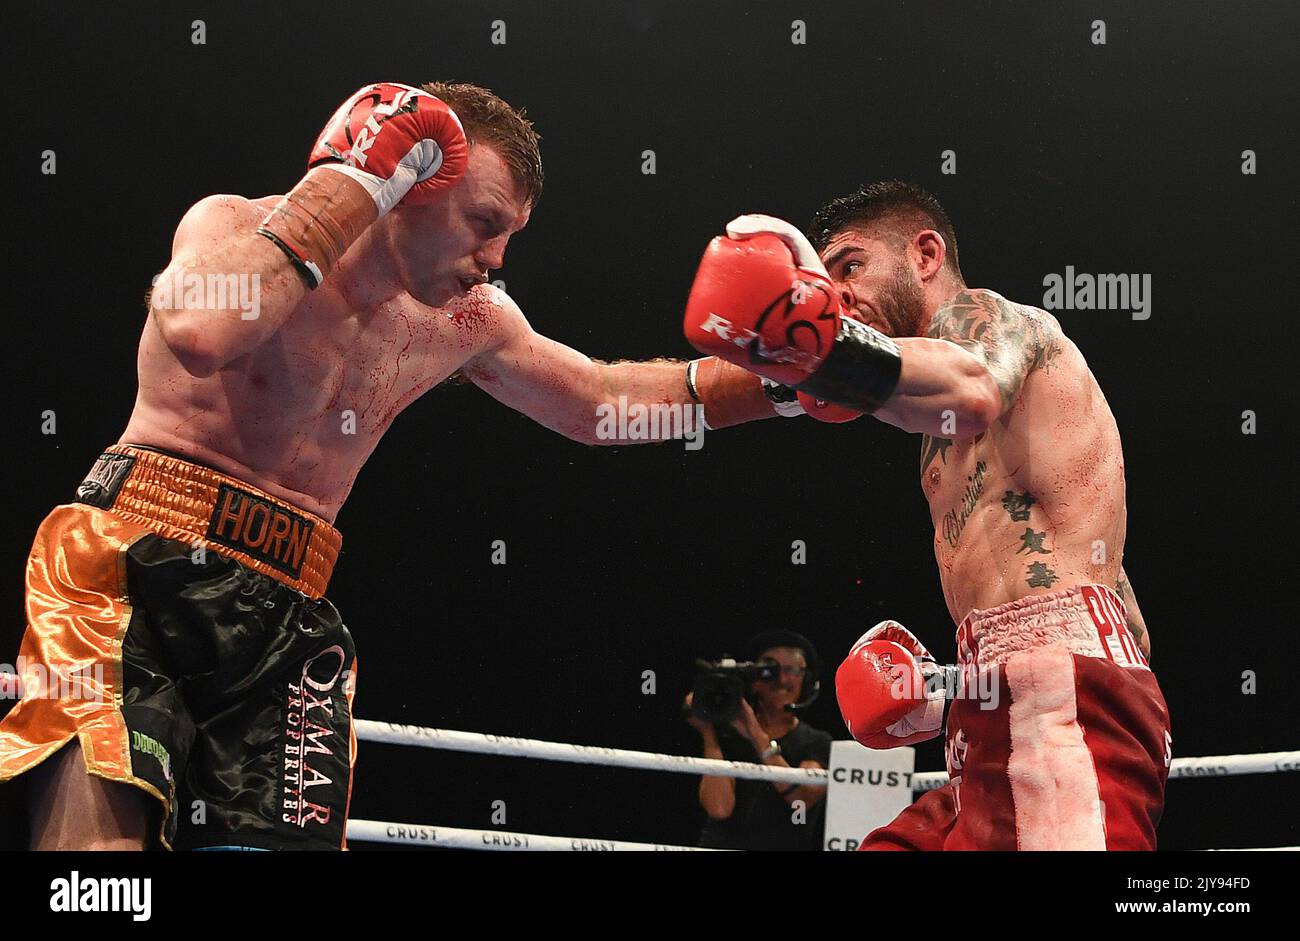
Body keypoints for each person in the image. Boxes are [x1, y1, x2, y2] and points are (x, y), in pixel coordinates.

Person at [0, 81, 794, 851]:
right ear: (407, 180)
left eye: (511, 232)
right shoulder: (239, 223)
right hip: (135, 559)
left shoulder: (466, 318)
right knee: (98, 854)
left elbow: (600, 401)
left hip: (288, 610)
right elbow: (200, 330)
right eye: (484, 221)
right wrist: (348, 184)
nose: (494, 257)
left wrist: (782, 384)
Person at [683, 182, 1171, 850]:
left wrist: (815, 343)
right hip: (996, 723)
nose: (836, 295)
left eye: (849, 266)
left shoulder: (995, 322)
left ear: (926, 253)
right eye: (821, 284)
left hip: (1064, 717)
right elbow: (1121, 619)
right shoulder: (940, 437)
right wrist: (945, 691)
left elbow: (972, 383)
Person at [686, 631, 830, 850]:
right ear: (754, 680)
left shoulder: (817, 742)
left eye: (791, 670)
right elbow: (719, 808)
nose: (781, 679)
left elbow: (802, 799)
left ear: (806, 680)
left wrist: (756, 736)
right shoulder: (727, 735)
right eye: (769, 671)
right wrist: (708, 733)